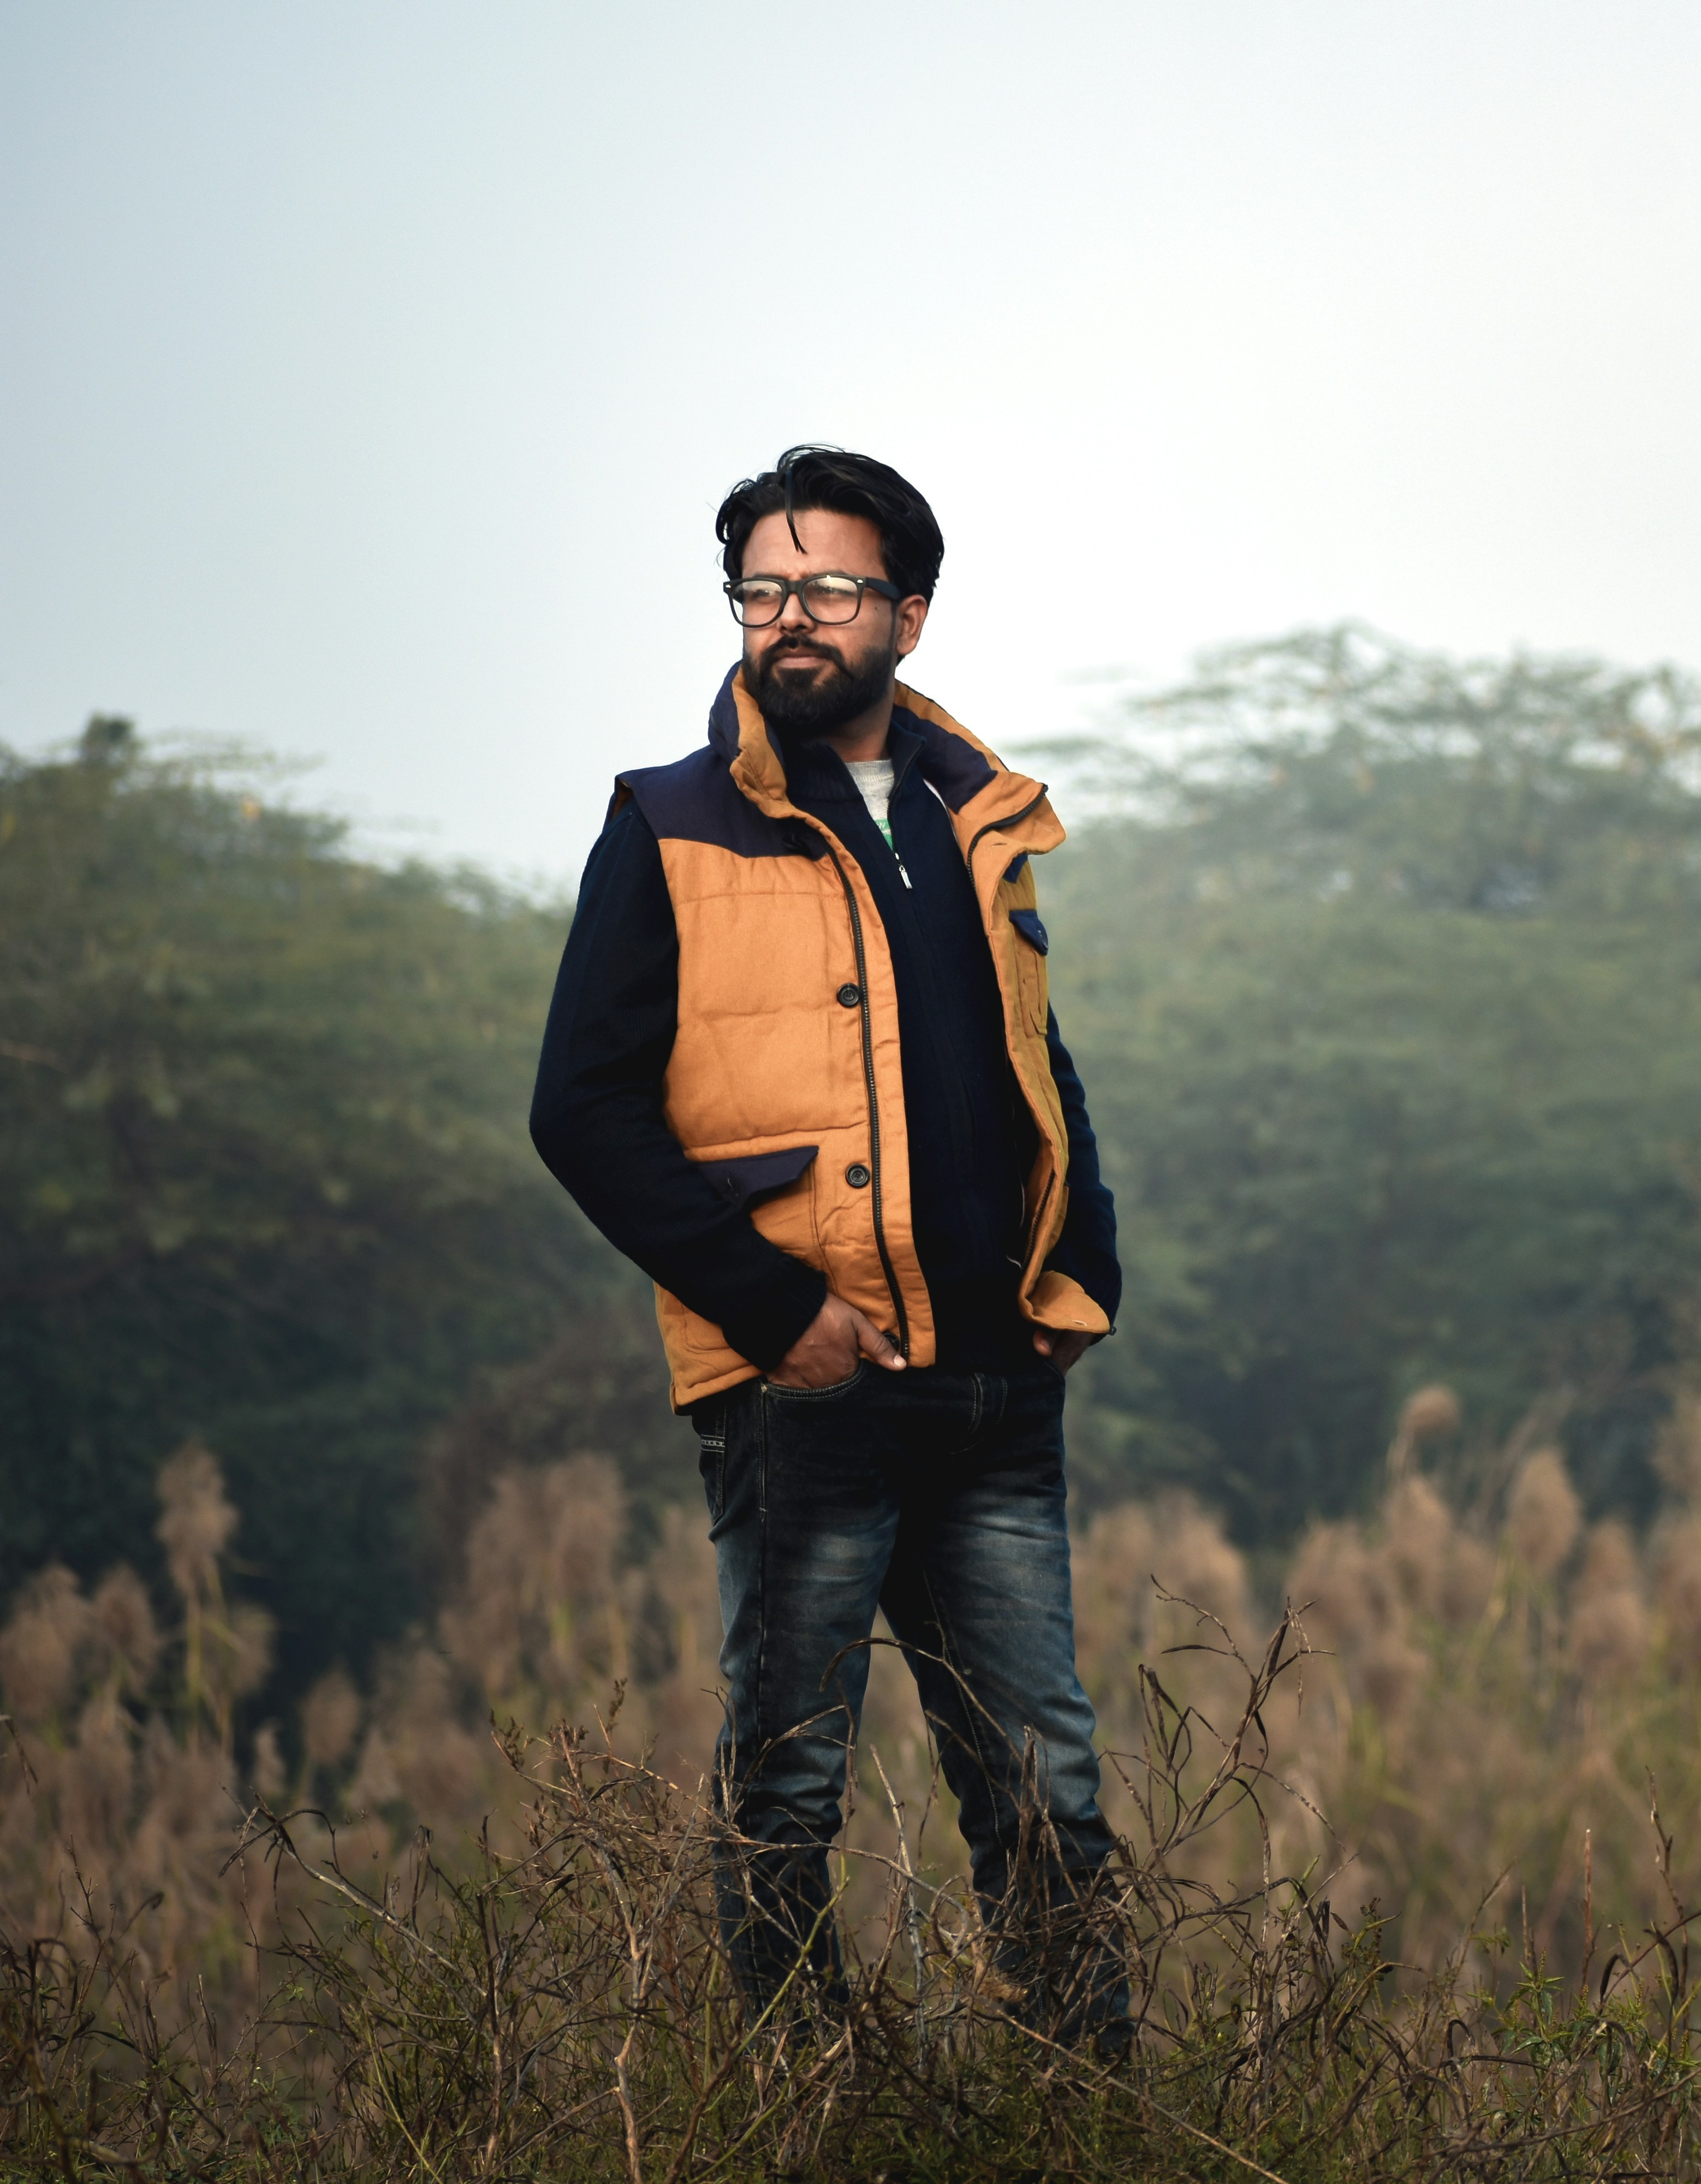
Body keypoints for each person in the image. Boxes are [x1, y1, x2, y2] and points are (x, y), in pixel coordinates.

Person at [530, 446, 1127, 2051]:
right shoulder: (667, 825)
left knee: (1047, 1790)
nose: (790, 616)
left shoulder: (976, 819)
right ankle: (812, 2116)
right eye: (763, 589)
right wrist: (774, 1309)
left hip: (993, 1389)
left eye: (831, 588)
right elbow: (581, 1110)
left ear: (907, 616)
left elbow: (1037, 1064)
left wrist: (1081, 1269)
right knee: (789, 1790)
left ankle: (1090, 2122)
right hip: (809, 1386)